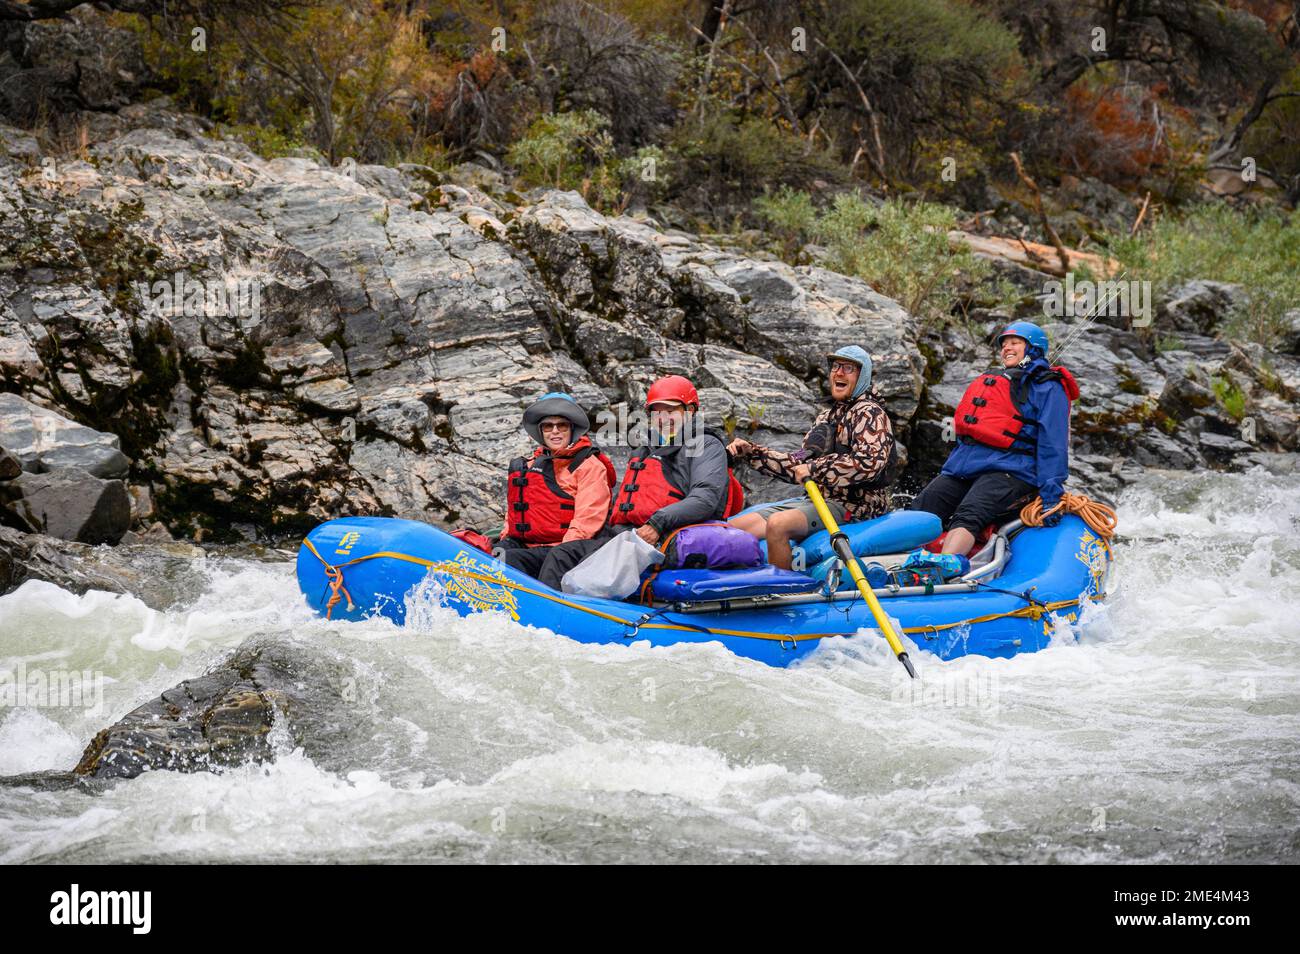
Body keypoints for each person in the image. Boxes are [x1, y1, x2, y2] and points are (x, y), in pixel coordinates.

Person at [533, 375, 742, 590]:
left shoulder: (706, 446)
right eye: (656, 412)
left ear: (689, 411)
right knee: (558, 553)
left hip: (665, 538)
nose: (663, 418)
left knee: (561, 557)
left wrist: (657, 523)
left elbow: (704, 498)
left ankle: (552, 617)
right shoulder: (646, 451)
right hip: (628, 535)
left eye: (670, 411)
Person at [910, 319, 1078, 560]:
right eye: (1004, 344)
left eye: (1015, 343)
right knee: (923, 507)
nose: (1006, 348)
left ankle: (943, 567)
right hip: (969, 469)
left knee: (969, 513)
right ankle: (896, 564)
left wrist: (1051, 494)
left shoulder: (1048, 388)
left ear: (1032, 349)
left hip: (1013, 470)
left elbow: (1053, 445)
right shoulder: (995, 381)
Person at [726, 345, 897, 569]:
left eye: (848, 368)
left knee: (778, 524)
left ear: (862, 376)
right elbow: (799, 463)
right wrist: (754, 453)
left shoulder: (871, 413)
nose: (839, 373)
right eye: (835, 366)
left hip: (856, 506)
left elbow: (868, 462)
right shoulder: (826, 417)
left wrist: (815, 470)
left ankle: (784, 595)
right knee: (734, 527)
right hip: (818, 499)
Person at [494, 392, 616, 578]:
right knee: (492, 553)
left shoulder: (589, 466)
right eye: (548, 426)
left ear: (572, 429)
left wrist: (563, 552)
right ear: (541, 431)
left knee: (509, 561)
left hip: (565, 548)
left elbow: (587, 521)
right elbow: (514, 515)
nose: (555, 431)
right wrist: (505, 539)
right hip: (529, 545)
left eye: (562, 425)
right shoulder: (530, 465)